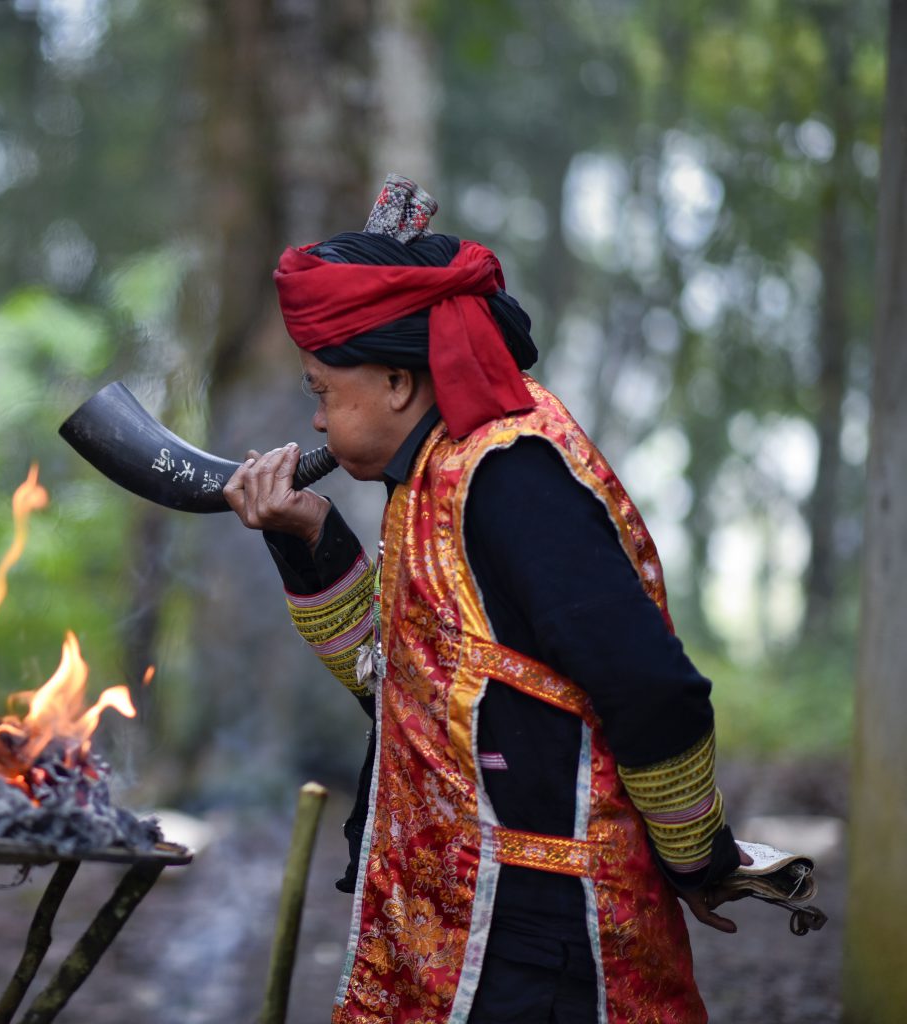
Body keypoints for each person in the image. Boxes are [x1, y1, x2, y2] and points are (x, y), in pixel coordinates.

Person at [224, 175, 746, 1024]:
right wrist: (307, 534)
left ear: (397, 382)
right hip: (476, 925)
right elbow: (408, 687)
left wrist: (696, 854)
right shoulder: (438, 472)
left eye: (322, 390)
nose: (316, 422)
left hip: (542, 938)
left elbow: (651, 687)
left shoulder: (512, 476)